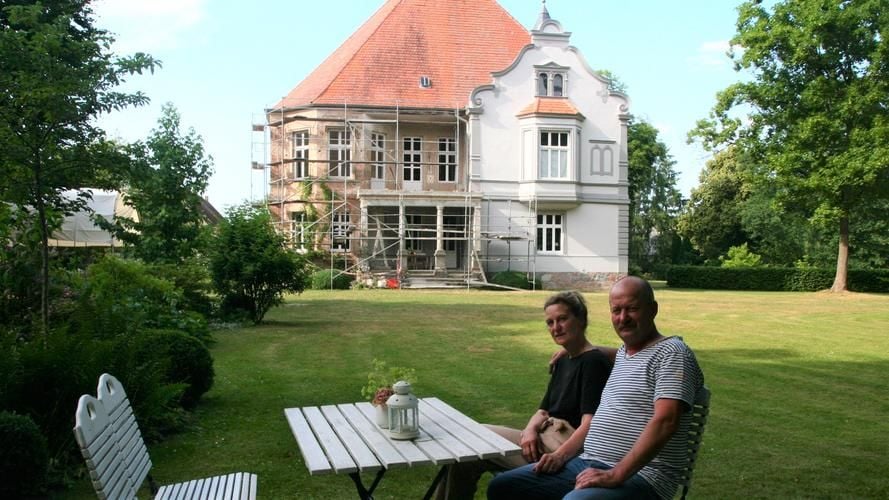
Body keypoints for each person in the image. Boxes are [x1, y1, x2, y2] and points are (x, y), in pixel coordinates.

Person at [488, 276, 705, 500]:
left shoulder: (673, 353)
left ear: (653, 309)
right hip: (586, 462)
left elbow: (666, 421)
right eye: (616, 310)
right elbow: (614, 352)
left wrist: (616, 474)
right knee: (502, 486)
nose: (623, 318)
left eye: (632, 309)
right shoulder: (625, 353)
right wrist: (571, 349)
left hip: (644, 476)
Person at [435, 291, 613, 500]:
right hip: (541, 436)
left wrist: (558, 456)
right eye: (550, 322)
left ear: (581, 319)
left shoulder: (592, 363)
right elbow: (544, 410)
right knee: (470, 440)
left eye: (562, 319)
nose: (556, 328)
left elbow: (590, 423)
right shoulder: (563, 359)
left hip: (560, 446)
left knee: (472, 452)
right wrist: (529, 430)